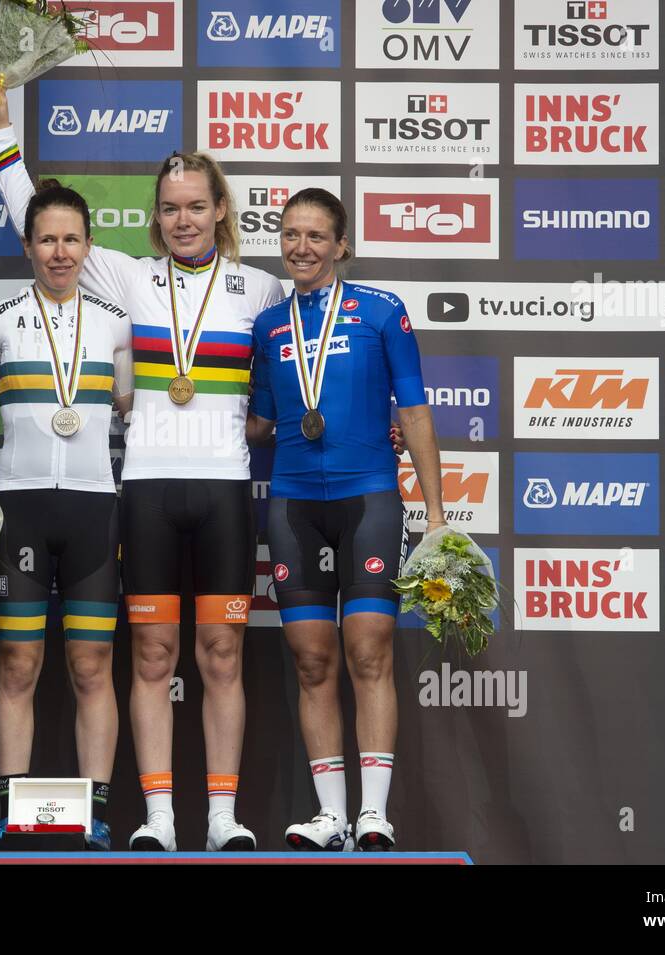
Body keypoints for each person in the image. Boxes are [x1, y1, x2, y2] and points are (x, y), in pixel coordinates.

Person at [0, 76, 283, 851]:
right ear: (157, 216)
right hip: (142, 489)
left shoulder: (264, 288)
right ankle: (157, 818)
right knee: (149, 653)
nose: (183, 220)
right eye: (170, 208)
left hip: (224, 491)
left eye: (196, 205)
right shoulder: (126, 277)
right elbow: (36, 217)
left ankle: (220, 818)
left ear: (220, 210)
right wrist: (0, 131)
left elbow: (301, 373)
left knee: (221, 654)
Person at [246, 188, 446, 851]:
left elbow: (413, 410)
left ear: (341, 245)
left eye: (314, 235)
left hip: (368, 496)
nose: (300, 247)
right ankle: (331, 815)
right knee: (310, 659)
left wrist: (438, 514)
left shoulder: (383, 312)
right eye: (289, 234)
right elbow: (261, 418)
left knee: (368, 650)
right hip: (294, 500)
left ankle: (374, 814)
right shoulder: (269, 327)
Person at [0, 179, 133, 851]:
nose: (60, 251)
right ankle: (11, 812)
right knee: (17, 665)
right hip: (19, 509)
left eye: (72, 238)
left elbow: (132, 407)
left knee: (92, 665)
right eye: (47, 239)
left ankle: (96, 814)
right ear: (27, 244)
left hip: (94, 511)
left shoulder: (116, 320)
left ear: (89, 245)